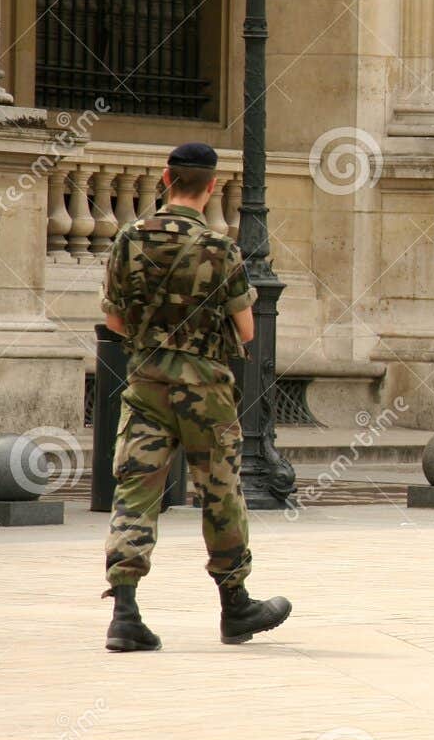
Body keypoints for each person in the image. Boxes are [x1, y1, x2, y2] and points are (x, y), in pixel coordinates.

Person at [99, 143, 292, 652]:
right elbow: (246, 330)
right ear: (211, 187)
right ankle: (235, 606)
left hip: (146, 386)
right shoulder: (220, 249)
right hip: (206, 392)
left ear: (166, 178)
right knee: (220, 493)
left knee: (135, 492)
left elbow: (114, 321)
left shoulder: (128, 239)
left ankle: (125, 613)